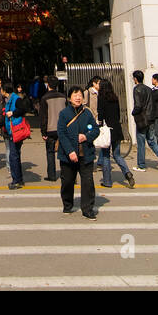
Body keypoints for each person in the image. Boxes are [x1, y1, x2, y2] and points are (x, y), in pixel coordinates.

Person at [57, 86, 100, 219]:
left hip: (85, 154)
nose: (78, 97)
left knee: (88, 182)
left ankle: (87, 209)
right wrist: (70, 151)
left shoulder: (87, 113)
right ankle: (67, 204)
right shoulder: (64, 114)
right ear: (69, 98)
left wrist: (86, 136)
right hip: (68, 155)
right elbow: (62, 134)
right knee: (68, 182)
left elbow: (95, 130)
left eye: (80, 95)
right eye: (75, 95)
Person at [96, 81, 135, 189]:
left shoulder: (101, 98)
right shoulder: (115, 98)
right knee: (117, 155)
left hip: (107, 130)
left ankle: (107, 181)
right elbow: (118, 114)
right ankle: (127, 173)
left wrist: (99, 126)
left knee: (105, 155)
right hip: (117, 129)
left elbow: (100, 114)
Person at [3, 83, 34, 190]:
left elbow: (24, 108)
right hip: (11, 130)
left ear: (3, 90)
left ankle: (16, 181)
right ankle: (18, 179)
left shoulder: (15, 99)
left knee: (13, 156)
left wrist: (13, 113)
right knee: (15, 155)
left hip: (16, 130)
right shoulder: (10, 99)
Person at [38, 81, 67, 182]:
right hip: (63, 128)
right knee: (64, 152)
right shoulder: (63, 97)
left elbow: (43, 117)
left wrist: (43, 132)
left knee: (50, 153)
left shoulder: (44, 98)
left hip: (50, 129)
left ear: (48, 85)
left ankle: (52, 175)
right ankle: (66, 174)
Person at [130, 70, 156, 172]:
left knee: (141, 142)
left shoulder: (137, 89)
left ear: (135, 79)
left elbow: (138, 105)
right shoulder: (149, 89)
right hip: (151, 118)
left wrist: (133, 113)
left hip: (142, 119)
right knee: (152, 142)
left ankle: (141, 165)